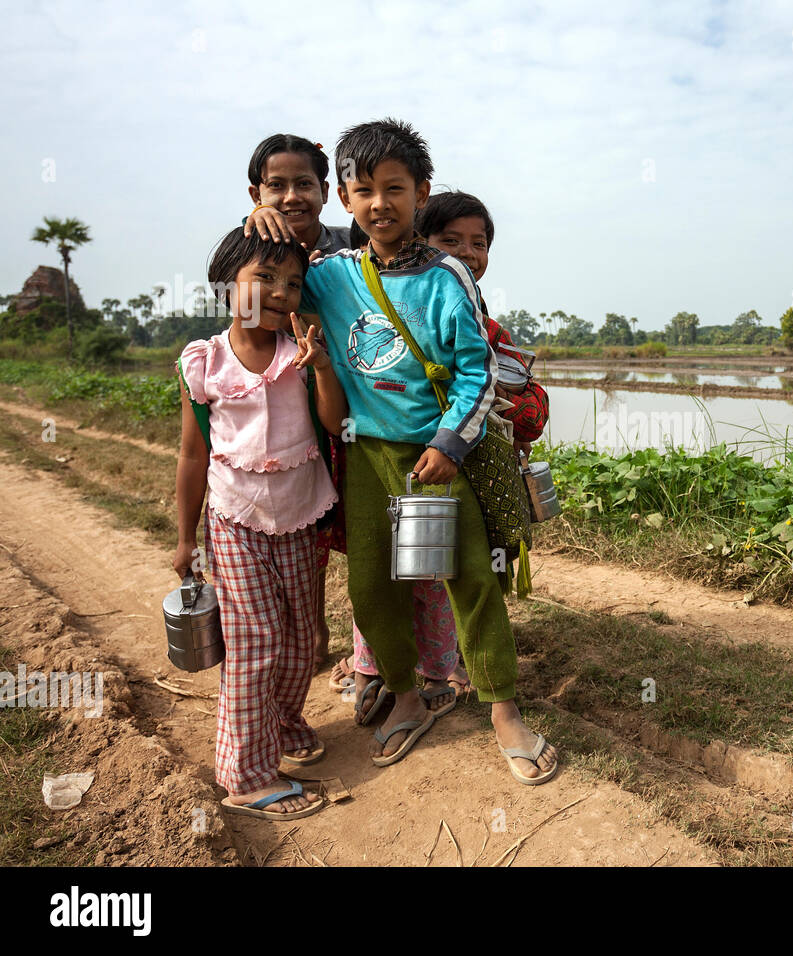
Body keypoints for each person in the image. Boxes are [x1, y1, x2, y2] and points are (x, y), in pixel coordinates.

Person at [247, 118, 558, 782]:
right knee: (371, 585)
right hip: (366, 457)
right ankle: (408, 697)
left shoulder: (447, 277)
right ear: (346, 202)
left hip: (433, 458)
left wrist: (449, 443)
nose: (380, 204)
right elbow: (264, 269)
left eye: (395, 189)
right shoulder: (329, 275)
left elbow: (475, 371)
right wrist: (262, 213)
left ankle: (504, 712)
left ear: (422, 192)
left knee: (469, 579)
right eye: (364, 191)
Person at [336, 191, 551, 708]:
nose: (468, 253)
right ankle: (378, 668)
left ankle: (448, 666)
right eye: (451, 240)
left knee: (455, 571)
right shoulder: (373, 295)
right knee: (386, 571)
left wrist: (508, 409)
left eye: (479, 243)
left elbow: (533, 403)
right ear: (421, 242)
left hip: (461, 459)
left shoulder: (483, 322)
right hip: (395, 456)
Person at [173, 228, 347, 818]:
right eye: (264, 278)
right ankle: (245, 774)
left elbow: (332, 422)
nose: (280, 292)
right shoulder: (205, 363)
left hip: (300, 516)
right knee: (255, 641)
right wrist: (182, 537)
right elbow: (192, 455)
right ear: (228, 287)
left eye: (293, 283)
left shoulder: (298, 353)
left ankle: (286, 725)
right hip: (235, 520)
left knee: (303, 640)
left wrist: (322, 367)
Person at [245, 133, 350, 667]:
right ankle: (312, 639)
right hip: (293, 421)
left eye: (304, 183)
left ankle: (372, 652)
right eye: (276, 185)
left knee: (364, 534)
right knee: (302, 541)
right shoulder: (250, 255)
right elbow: (243, 330)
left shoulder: (350, 243)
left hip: (355, 410)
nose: (292, 197)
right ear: (254, 193)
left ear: (326, 191)